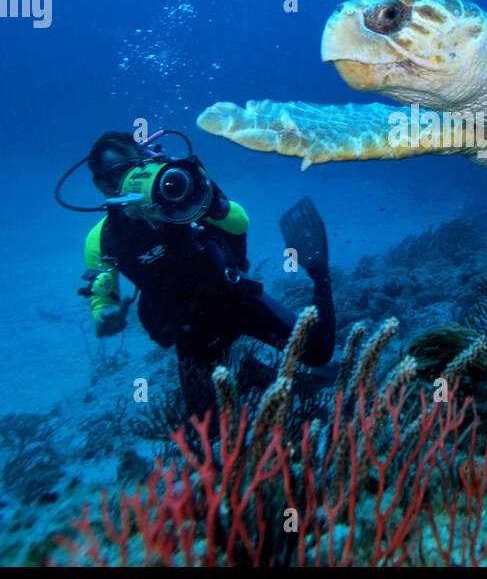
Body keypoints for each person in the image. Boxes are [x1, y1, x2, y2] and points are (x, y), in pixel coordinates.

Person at [79, 130, 335, 419]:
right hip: (190, 328)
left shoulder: (180, 190)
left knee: (318, 352)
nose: (129, 179)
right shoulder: (103, 239)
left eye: (134, 167)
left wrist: (214, 204)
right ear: (101, 185)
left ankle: (319, 272)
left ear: (147, 160)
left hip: (236, 298)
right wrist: (106, 318)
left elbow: (239, 222)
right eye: (115, 175)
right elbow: (102, 303)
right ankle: (251, 376)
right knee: (206, 427)